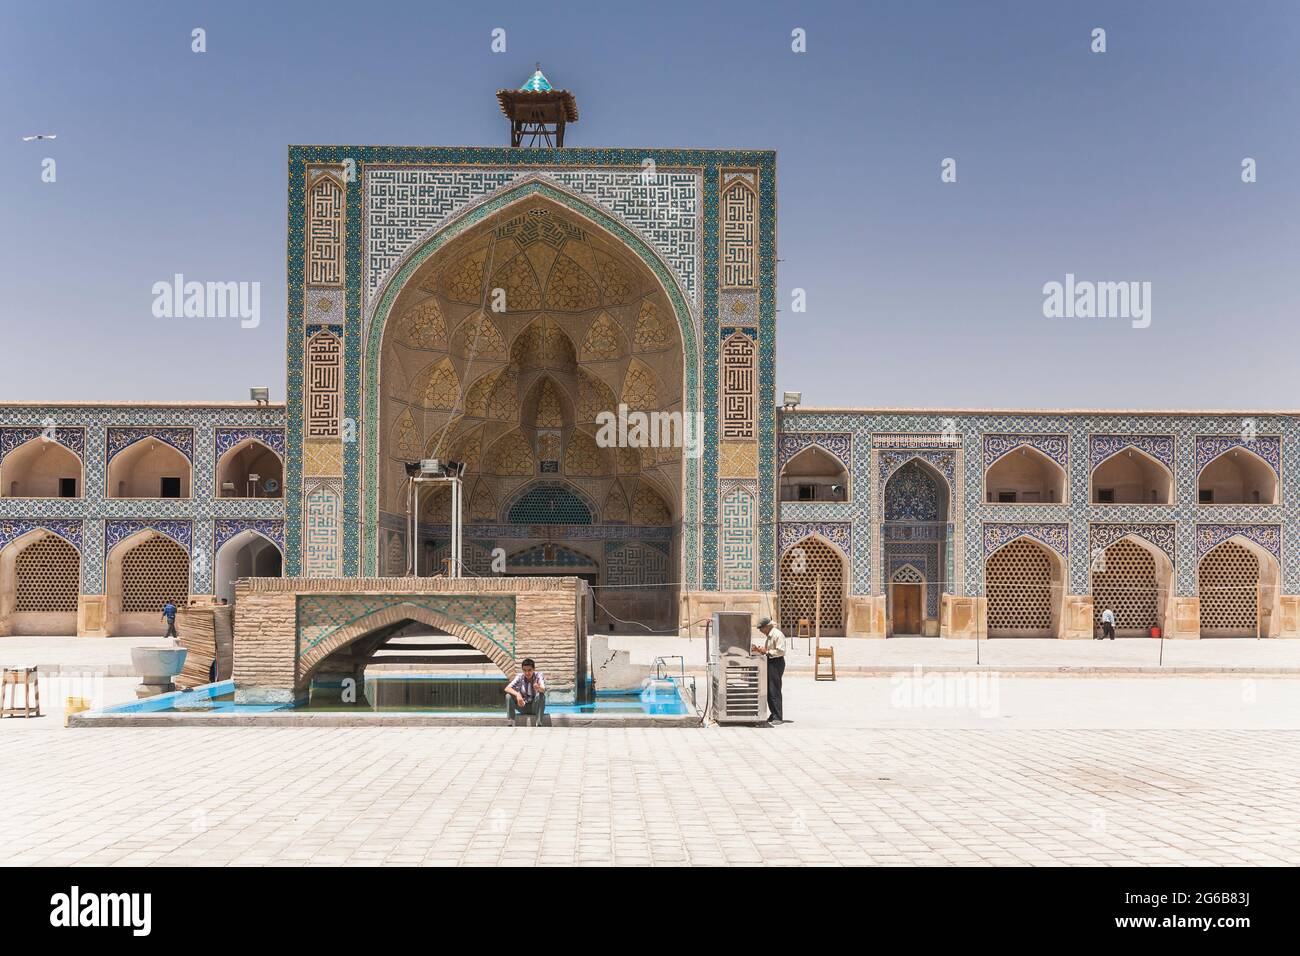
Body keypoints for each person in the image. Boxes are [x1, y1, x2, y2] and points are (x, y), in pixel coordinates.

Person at [751, 617, 787, 724]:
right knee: (769, 690)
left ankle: (778, 717)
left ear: (767, 627)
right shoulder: (769, 636)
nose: (761, 632)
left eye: (761, 629)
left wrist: (766, 651)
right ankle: (773, 714)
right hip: (770, 662)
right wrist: (759, 650)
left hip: (776, 663)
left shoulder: (777, 635)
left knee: (774, 690)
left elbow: (781, 651)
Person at [505, 658, 546, 726]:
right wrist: (517, 694)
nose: (527, 673)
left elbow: (543, 690)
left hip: (534, 707)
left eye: (529, 670)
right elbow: (507, 688)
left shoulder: (539, 676)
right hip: (522, 706)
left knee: (541, 695)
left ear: (534, 669)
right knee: (508, 696)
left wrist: (538, 688)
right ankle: (511, 722)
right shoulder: (520, 676)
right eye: (524, 670)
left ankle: (539, 723)